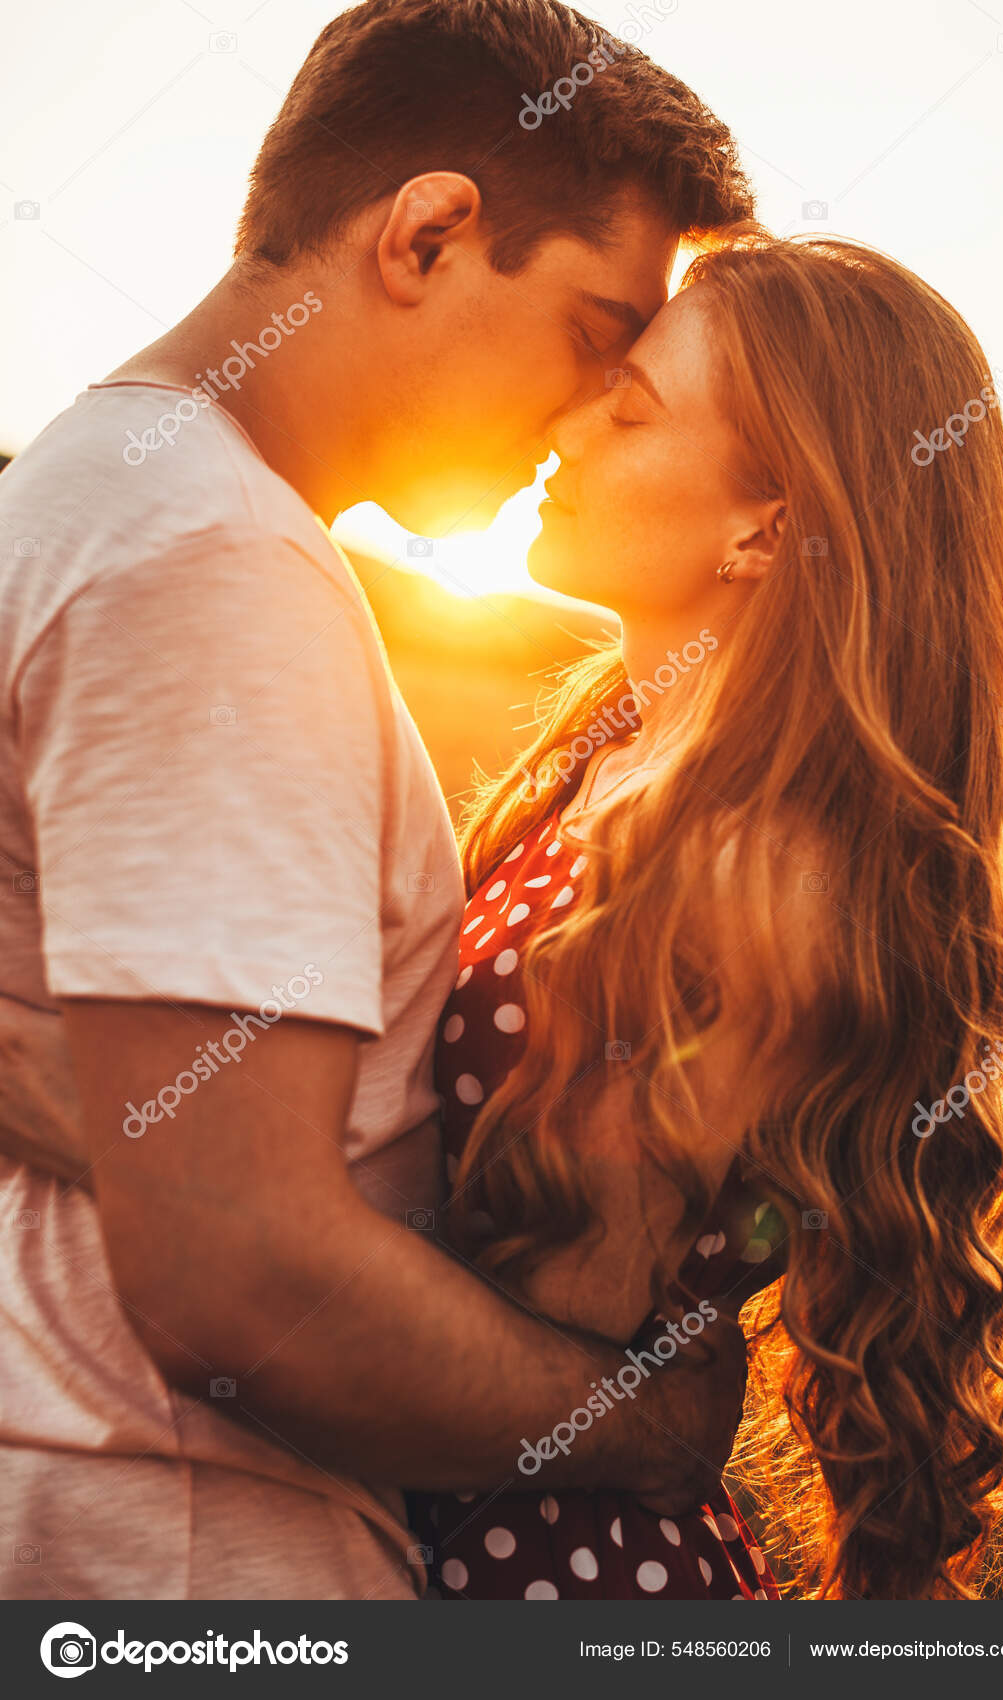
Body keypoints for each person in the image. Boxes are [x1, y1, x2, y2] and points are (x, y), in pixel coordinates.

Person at [0, 1, 756, 1600]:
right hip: (185, 1551)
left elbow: (179, 1133)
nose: (582, 413)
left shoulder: (88, 495)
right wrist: (656, 1422)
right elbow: (240, 1278)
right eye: (592, 332)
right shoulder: (209, 563)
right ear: (426, 233)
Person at [420, 230, 1003, 1600]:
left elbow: (545, 1340)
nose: (565, 420)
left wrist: (183, 1190)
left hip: (538, 1581)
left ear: (766, 525)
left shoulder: (751, 869)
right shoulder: (602, 767)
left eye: (630, 403)